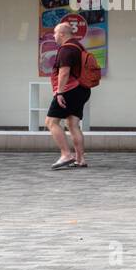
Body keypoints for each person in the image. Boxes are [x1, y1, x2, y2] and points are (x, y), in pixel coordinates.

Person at [45, 22, 91, 169]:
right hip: (82, 90)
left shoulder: (66, 49)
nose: (53, 36)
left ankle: (66, 154)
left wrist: (59, 92)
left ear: (62, 34)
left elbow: (64, 73)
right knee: (72, 124)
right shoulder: (79, 47)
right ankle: (80, 159)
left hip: (69, 90)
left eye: (55, 33)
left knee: (51, 122)